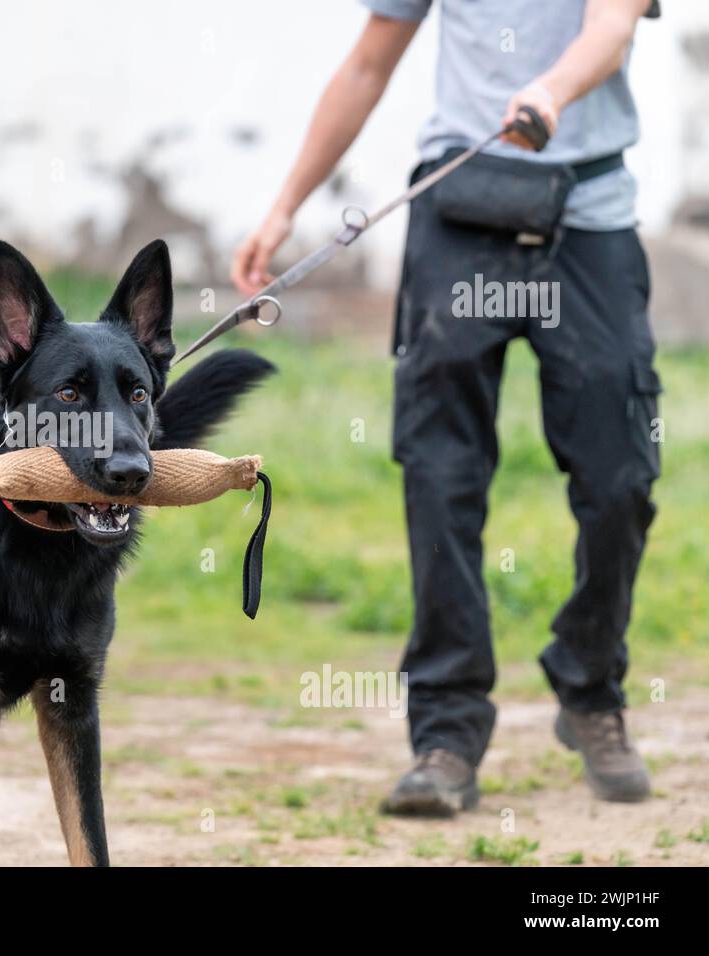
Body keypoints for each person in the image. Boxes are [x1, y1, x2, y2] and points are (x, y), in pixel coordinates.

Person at [232, 0, 663, 815]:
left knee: (621, 476)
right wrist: (287, 204)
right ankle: (446, 733)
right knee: (440, 475)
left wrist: (550, 90)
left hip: (589, 218)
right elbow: (368, 63)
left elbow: (610, 28)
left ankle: (590, 684)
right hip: (460, 213)